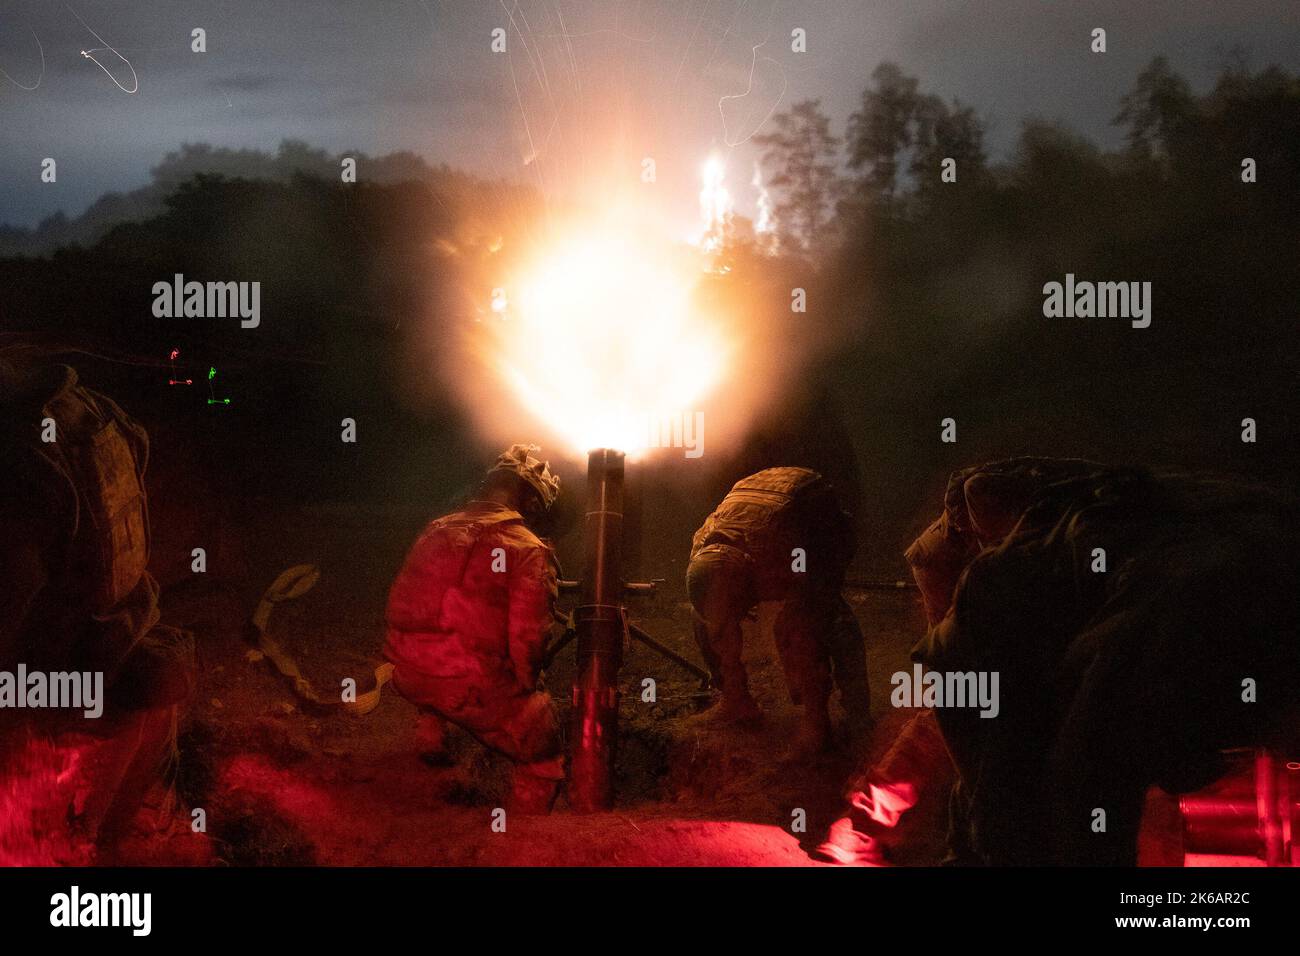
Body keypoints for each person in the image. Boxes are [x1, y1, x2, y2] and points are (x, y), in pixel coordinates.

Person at [821, 457, 1300, 866]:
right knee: (1004, 800)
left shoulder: (1256, 598)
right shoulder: (1194, 619)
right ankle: (862, 829)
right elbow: (1089, 758)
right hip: (999, 602)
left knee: (1022, 783)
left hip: (1055, 579)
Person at [0, 357, 195, 862]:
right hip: (126, 635)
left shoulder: (19, 457)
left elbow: (14, 602)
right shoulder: (88, 408)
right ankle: (99, 836)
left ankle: (63, 840)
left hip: (76, 668)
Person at [384, 444, 565, 814]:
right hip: (469, 687)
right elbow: (528, 639)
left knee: (436, 662)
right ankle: (526, 828)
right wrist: (526, 688)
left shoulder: (436, 529)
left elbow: (403, 602)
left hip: (406, 672)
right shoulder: (526, 548)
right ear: (532, 502)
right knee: (543, 743)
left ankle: (431, 734)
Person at [686, 467, 870, 754]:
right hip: (767, 523)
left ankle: (829, 720)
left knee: (803, 624)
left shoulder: (785, 546)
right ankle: (736, 701)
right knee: (708, 622)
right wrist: (720, 624)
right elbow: (714, 610)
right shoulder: (702, 547)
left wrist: (799, 611)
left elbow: (811, 588)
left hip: (820, 527)